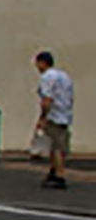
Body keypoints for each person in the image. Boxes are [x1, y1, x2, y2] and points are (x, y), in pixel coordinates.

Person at [35, 50, 74, 190]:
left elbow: (47, 99)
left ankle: (59, 175)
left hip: (54, 115)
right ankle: (54, 170)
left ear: (42, 63)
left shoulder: (47, 77)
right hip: (65, 114)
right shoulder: (64, 76)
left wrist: (42, 117)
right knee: (60, 145)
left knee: (55, 147)